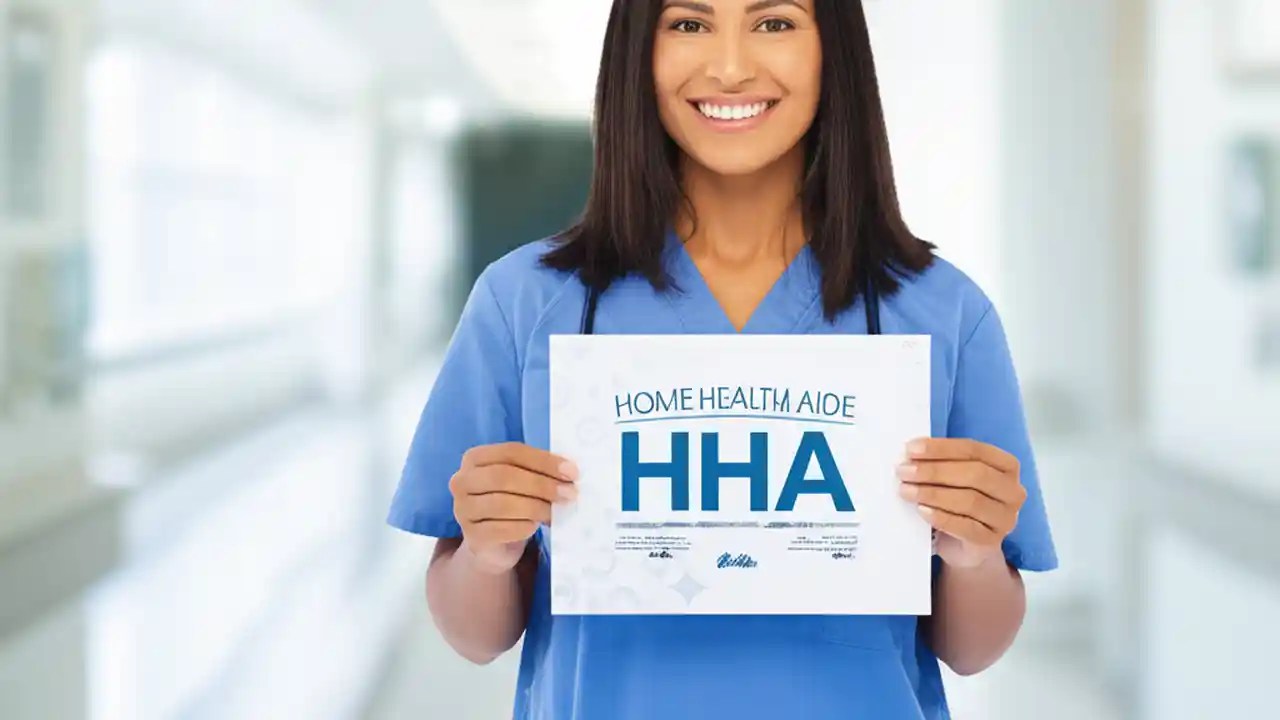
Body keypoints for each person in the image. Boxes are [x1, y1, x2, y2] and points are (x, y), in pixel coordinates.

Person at [387, 0, 1058, 717]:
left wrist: (975, 557)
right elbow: (475, 635)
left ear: (834, 50)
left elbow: (972, 648)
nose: (731, 68)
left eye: (774, 22)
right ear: (637, 51)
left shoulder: (942, 312)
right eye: (688, 23)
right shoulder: (525, 303)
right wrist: (489, 555)